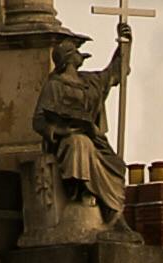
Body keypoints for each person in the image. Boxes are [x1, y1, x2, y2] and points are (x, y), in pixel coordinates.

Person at [32, 20, 131, 224]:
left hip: (93, 137)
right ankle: (82, 193)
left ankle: (111, 206)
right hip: (67, 139)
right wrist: (59, 130)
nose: (80, 54)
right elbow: (39, 120)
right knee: (79, 143)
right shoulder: (55, 85)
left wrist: (125, 44)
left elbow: (115, 72)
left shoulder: (90, 81)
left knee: (116, 164)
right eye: (76, 51)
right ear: (68, 58)